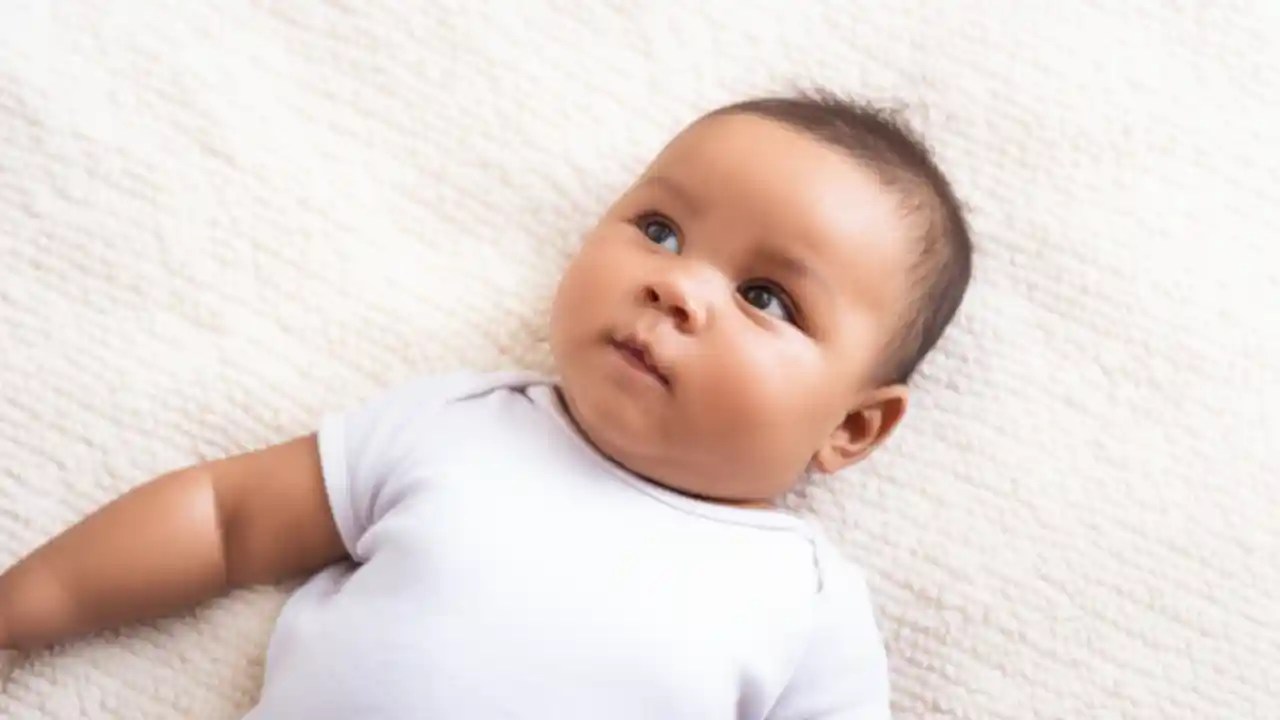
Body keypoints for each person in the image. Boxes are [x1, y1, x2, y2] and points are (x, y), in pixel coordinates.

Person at [0, 91, 972, 718]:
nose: (678, 288)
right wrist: (20, 610)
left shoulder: (801, 605)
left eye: (765, 298)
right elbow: (223, 518)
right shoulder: (461, 427)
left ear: (851, 426)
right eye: (661, 230)